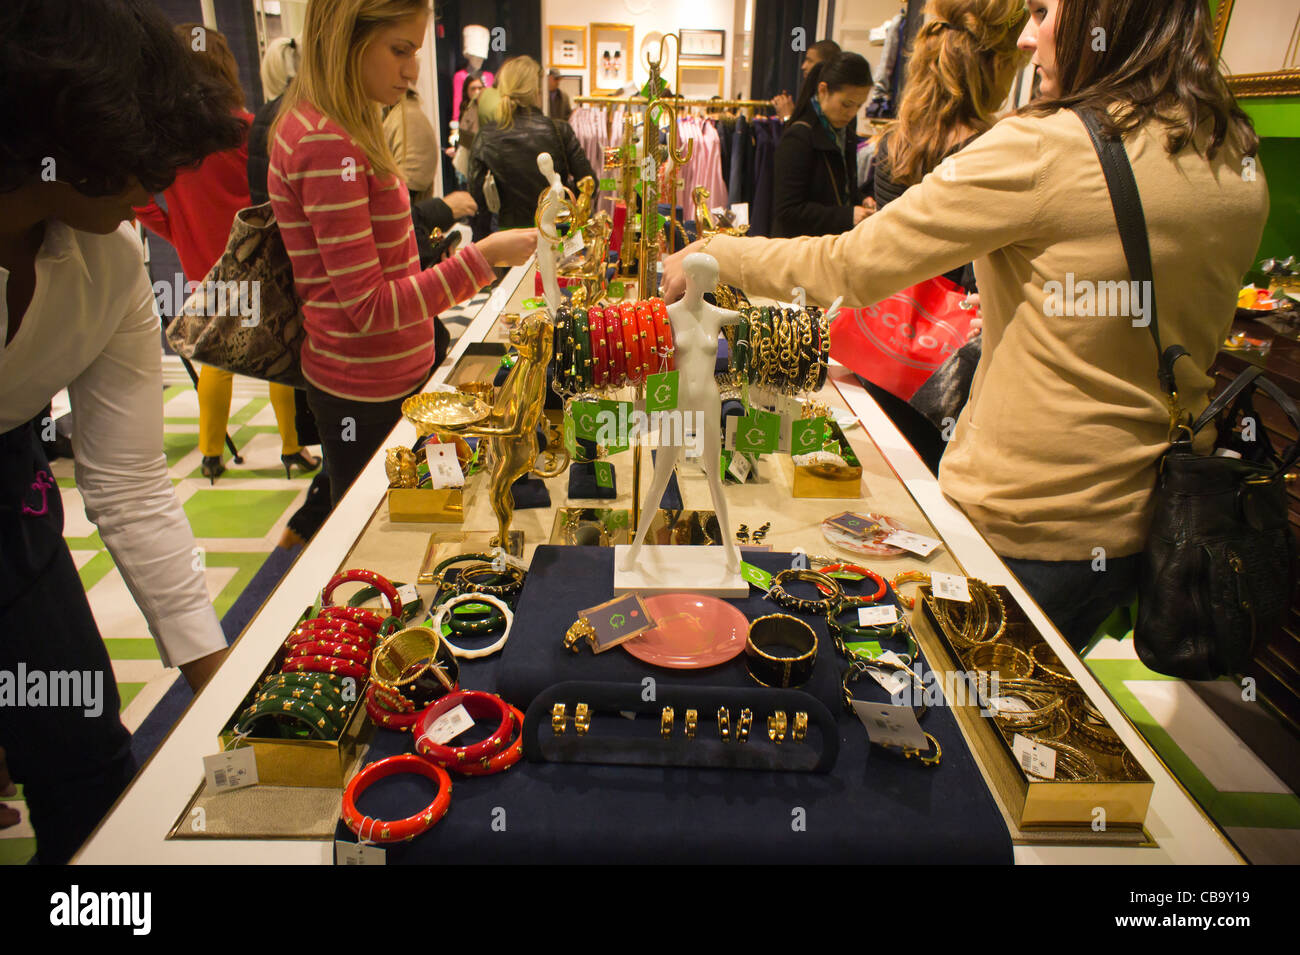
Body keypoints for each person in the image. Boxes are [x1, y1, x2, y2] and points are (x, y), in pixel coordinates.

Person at [664, 0, 1269, 653]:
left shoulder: (1049, 147)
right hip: (1146, 528)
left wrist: (716, 253)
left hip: (1024, 524)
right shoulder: (1234, 157)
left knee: (952, 711)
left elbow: (849, 266)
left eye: (1046, 11)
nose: (1032, 36)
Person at [1, 0, 245, 862]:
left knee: (83, 747)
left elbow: (132, 484)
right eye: (145, 167)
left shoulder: (108, 263)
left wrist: (223, 693)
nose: (159, 192)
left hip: (13, 499)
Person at [269, 0, 536, 508]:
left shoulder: (339, 125)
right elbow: (369, 307)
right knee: (379, 541)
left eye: (415, 51)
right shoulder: (329, 142)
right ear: (348, 36)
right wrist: (483, 258)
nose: (413, 70)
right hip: (367, 393)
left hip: (379, 382)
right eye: (399, 50)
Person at [134, 25, 318, 485]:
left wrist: (177, 233)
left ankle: (210, 453)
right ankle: (292, 448)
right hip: (257, 259)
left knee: (215, 357)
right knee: (279, 348)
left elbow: (138, 202)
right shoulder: (249, 128)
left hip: (204, 266)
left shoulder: (171, 141)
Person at [861, 0, 1030, 473]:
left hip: (884, 341)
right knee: (936, 494)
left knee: (886, 478)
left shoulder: (896, 142)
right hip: (946, 365)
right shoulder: (993, 149)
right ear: (996, 68)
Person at [469, 55, 595, 230]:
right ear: (536, 91)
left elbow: (477, 202)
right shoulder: (559, 130)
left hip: (509, 238)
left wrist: (483, 247)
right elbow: (589, 184)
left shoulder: (486, 136)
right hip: (555, 235)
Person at [772, 51, 874, 238]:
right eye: (846, 104)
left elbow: (842, 188)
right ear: (823, 90)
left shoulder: (846, 134)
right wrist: (848, 215)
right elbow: (787, 211)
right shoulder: (799, 137)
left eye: (858, 106)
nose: (851, 113)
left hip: (831, 246)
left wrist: (862, 199)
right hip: (802, 252)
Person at [773, 39, 841, 120]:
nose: (803, 66)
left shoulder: (830, 104)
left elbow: (807, 132)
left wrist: (787, 117)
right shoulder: (811, 96)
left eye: (810, 61)